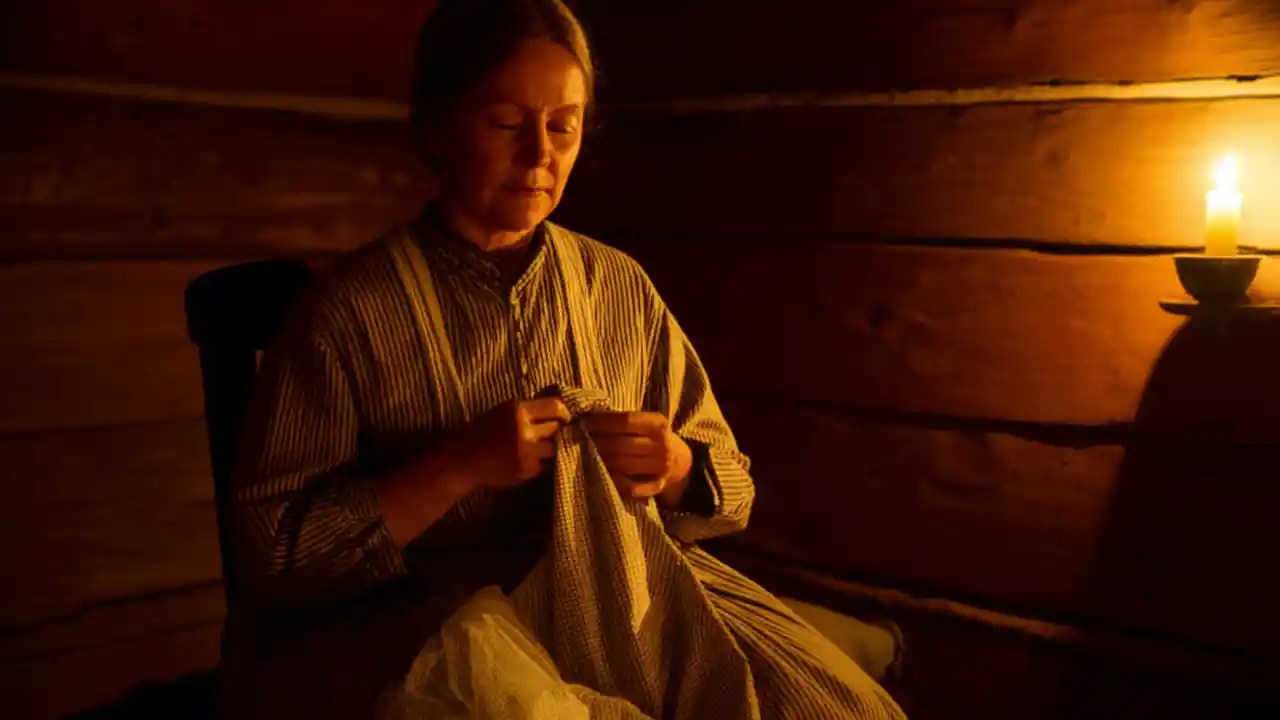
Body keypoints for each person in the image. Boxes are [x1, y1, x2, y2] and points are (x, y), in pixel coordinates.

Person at [223, 1, 906, 717]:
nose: (540, 155)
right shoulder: (348, 311)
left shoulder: (618, 286)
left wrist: (673, 469)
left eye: (564, 126)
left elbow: (732, 487)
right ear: (437, 127)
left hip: (619, 592)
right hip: (427, 624)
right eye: (508, 124)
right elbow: (274, 556)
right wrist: (457, 465)